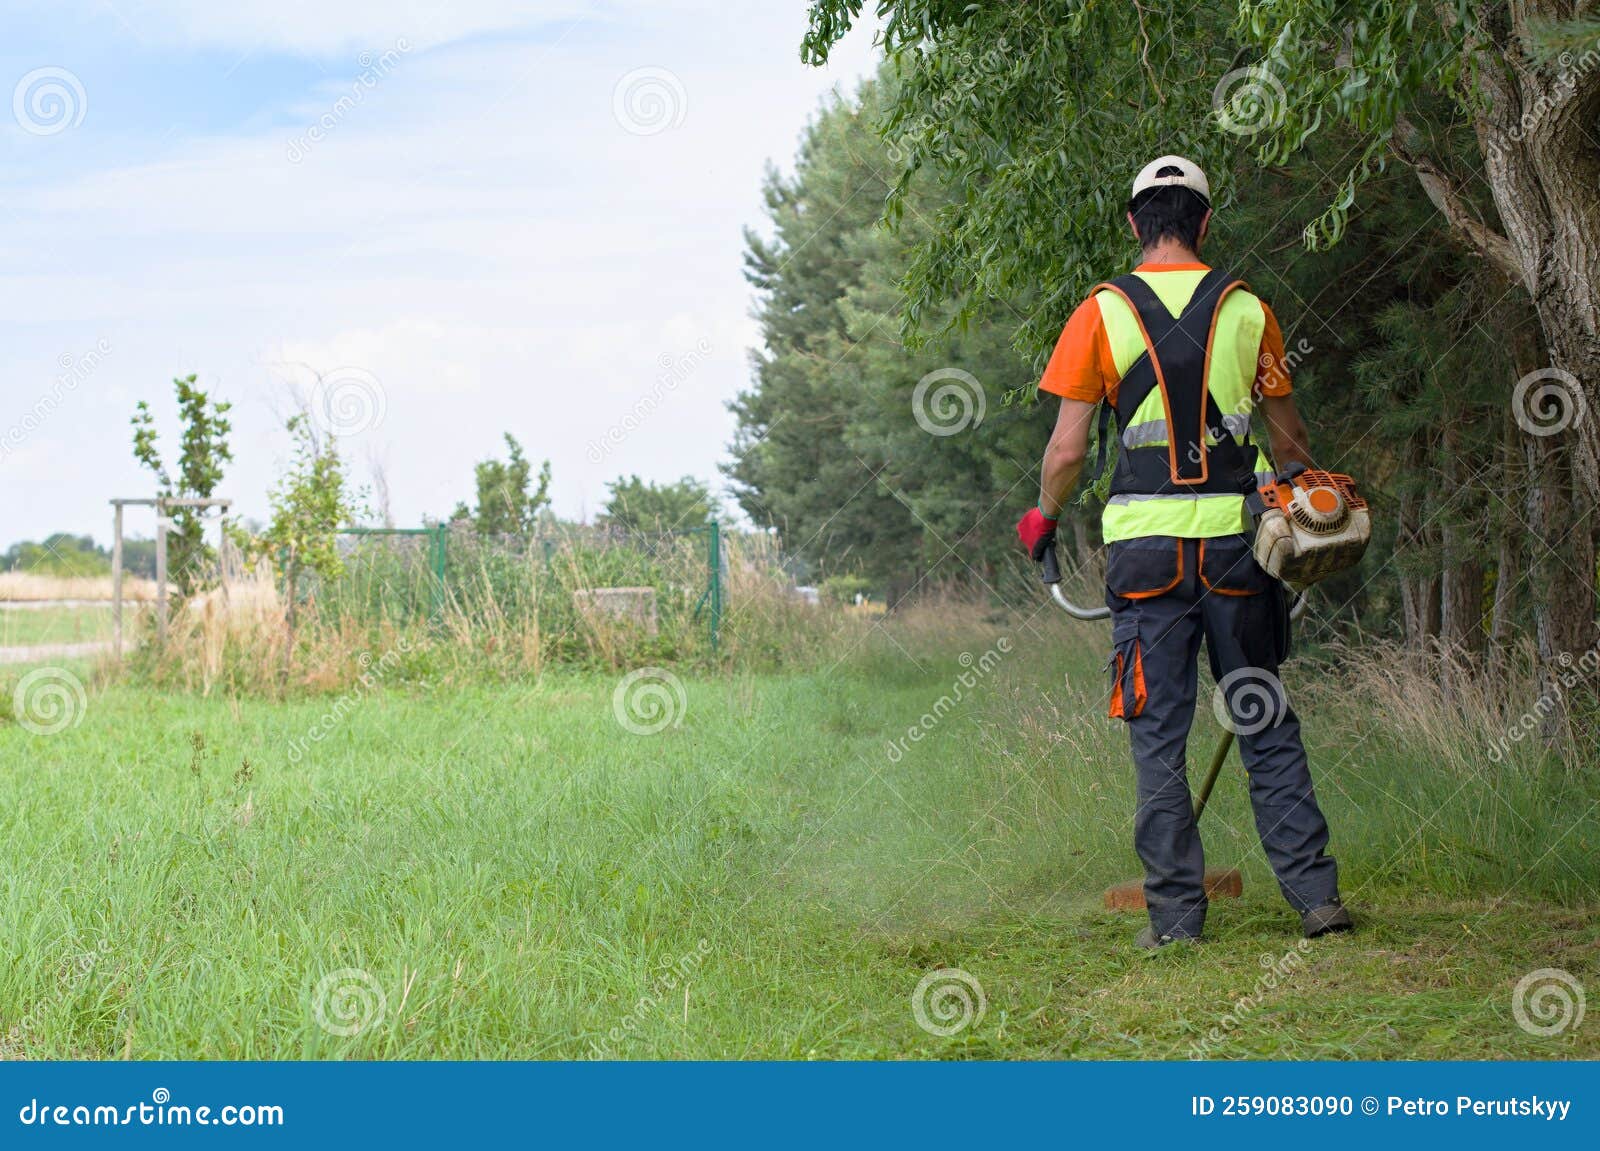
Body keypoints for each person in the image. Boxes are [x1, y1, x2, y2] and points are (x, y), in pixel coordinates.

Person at [1015, 155, 1353, 948]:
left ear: (1135, 224)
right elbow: (1290, 441)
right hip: (1240, 554)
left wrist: (1043, 516)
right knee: (1263, 718)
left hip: (1146, 560)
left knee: (1158, 736)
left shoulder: (1099, 312)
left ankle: (1173, 921)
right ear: (1204, 222)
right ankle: (1315, 899)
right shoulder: (1247, 310)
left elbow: (1066, 450)